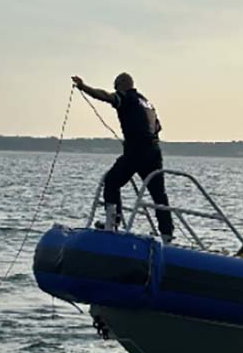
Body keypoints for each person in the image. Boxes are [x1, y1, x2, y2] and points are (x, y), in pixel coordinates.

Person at [71, 72, 174, 241]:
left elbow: (105, 97)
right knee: (158, 194)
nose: (114, 90)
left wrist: (84, 87)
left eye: (115, 86)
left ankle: (112, 223)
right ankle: (167, 233)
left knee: (111, 182)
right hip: (154, 151)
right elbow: (157, 127)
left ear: (120, 85)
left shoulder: (125, 98)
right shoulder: (147, 103)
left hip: (137, 151)